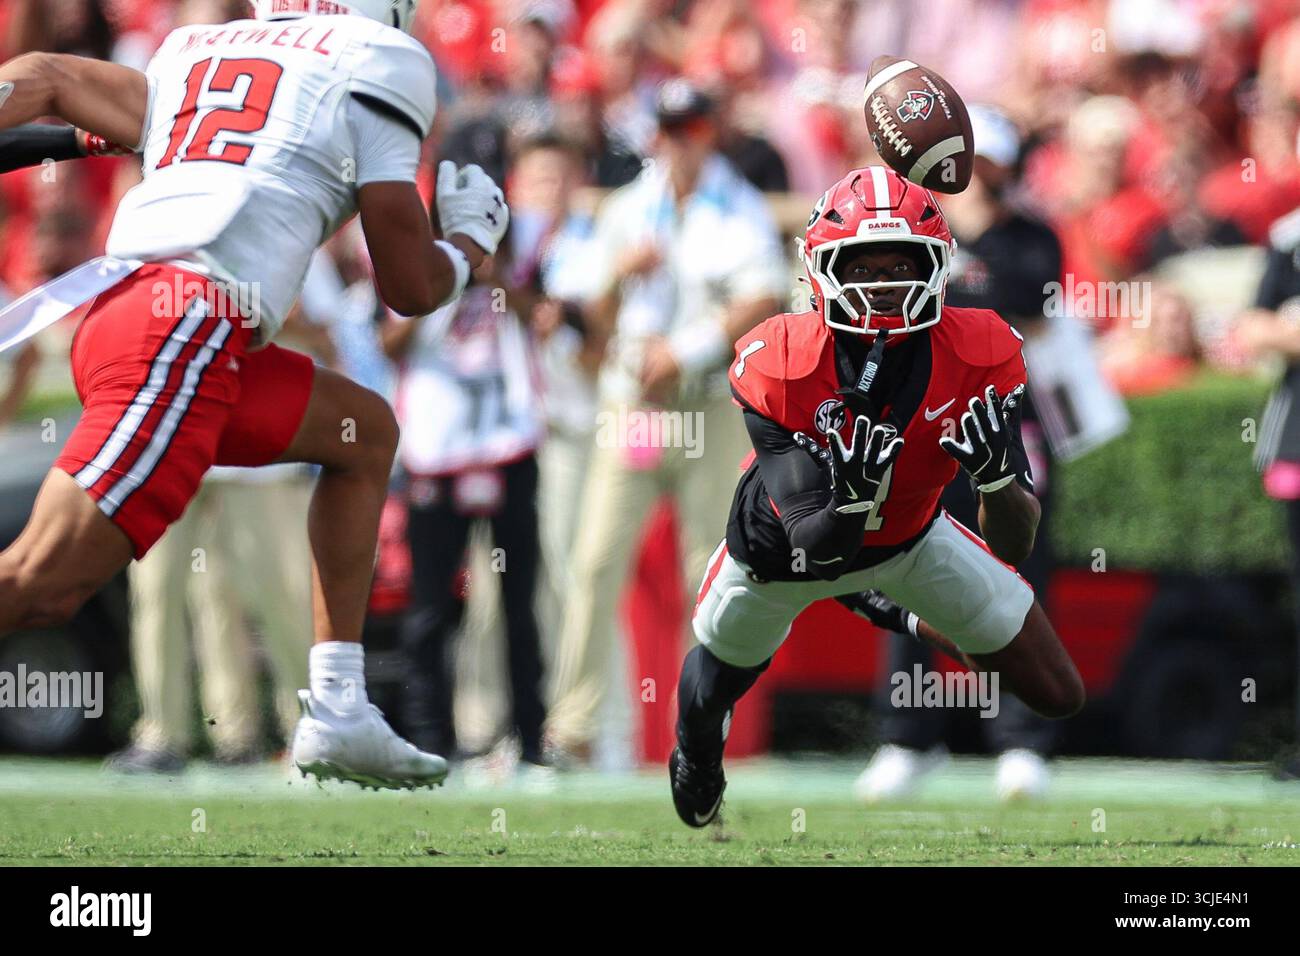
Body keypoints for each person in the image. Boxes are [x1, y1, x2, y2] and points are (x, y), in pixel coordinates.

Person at [0, 0, 510, 790]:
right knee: (39, 584)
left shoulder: (192, 48)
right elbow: (408, 286)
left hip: (148, 318)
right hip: (183, 329)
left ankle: (338, 707)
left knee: (362, 433)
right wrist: (470, 245)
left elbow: (43, 74)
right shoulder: (381, 58)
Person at [670, 165, 1085, 827]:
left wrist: (998, 482)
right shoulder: (778, 358)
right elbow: (816, 544)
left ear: (939, 267)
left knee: (1057, 691)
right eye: (863, 267)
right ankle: (695, 750)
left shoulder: (981, 348)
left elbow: (1014, 543)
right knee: (715, 679)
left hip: (911, 536)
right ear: (818, 271)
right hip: (782, 552)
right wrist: (855, 496)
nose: (885, 284)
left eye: (902, 265)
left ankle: (896, 608)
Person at [542, 78, 786, 765]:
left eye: (694, 129)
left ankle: (700, 726)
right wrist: (620, 275)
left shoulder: (737, 207)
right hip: (636, 408)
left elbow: (762, 297)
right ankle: (573, 726)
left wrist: (683, 351)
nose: (682, 142)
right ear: (658, 133)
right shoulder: (626, 209)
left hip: (706, 404)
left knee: (704, 571)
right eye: (673, 128)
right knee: (594, 560)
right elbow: (590, 317)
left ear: (710, 133)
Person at [855, 105, 1065, 803]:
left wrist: (972, 236)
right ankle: (906, 736)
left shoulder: (1032, 236)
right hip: (922, 419)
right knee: (904, 568)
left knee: (1016, 574)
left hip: (1005, 422)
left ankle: (1022, 741)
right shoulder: (918, 228)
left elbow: (1022, 313)